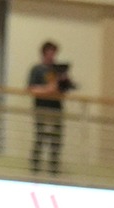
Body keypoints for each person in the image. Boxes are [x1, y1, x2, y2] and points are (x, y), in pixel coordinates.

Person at [27, 41, 74, 175]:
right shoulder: (36, 69)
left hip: (56, 107)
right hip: (41, 107)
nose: (52, 56)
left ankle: (54, 166)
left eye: (54, 53)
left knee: (56, 138)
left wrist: (64, 81)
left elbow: (65, 90)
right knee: (40, 135)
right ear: (44, 53)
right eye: (50, 53)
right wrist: (48, 89)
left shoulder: (58, 70)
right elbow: (31, 88)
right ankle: (35, 166)